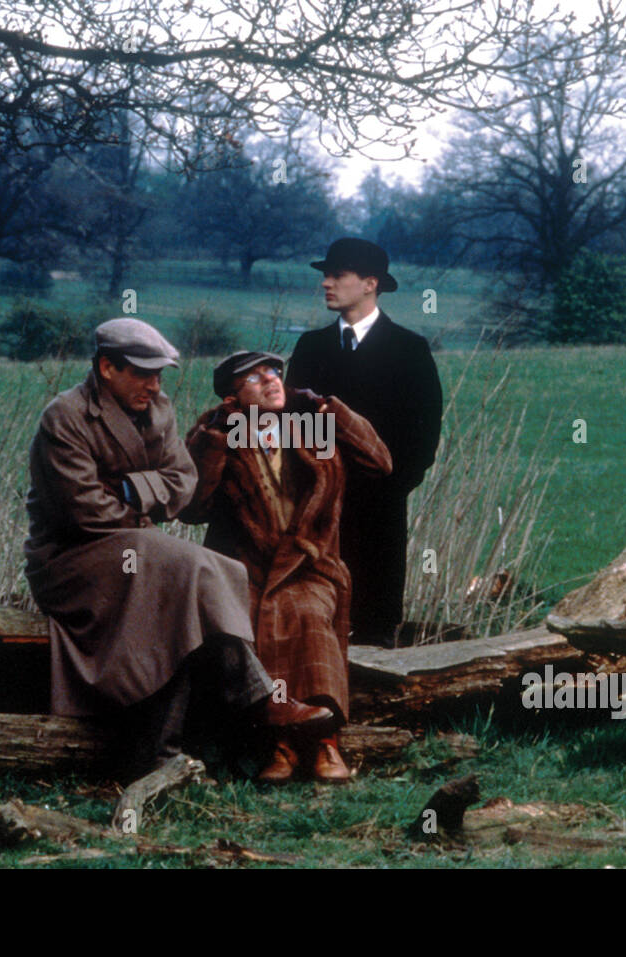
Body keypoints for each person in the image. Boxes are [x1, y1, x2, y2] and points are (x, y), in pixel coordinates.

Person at [23, 318, 334, 782]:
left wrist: (128, 488)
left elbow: (182, 485)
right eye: (143, 373)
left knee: (187, 582)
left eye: (160, 374)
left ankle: (162, 751)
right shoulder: (64, 417)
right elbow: (83, 511)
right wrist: (146, 502)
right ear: (107, 367)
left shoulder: (158, 409)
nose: (154, 385)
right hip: (71, 561)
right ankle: (254, 693)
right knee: (181, 562)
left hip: (138, 553)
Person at [182, 350, 392, 783]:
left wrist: (329, 408)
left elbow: (380, 462)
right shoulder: (220, 436)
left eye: (274, 372)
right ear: (232, 397)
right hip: (246, 569)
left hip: (311, 564)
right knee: (250, 621)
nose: (272, 380)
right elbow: (191, 508)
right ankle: (279, 745)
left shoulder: (309, 428)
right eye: (255, 379)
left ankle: (325, 743)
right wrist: (216, 438)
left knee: (310, 613)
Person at [286, 238, 443, 648]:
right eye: (325, 275)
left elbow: (421, 439)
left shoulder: (409, 350)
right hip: (314, 511)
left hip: (379, 514)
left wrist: (385, 487)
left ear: (370, 283)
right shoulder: (310, 347)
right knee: (312, 621)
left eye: (338, 275)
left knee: (373, 627)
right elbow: (291, 426)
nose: (326, 283)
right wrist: (320, 481)